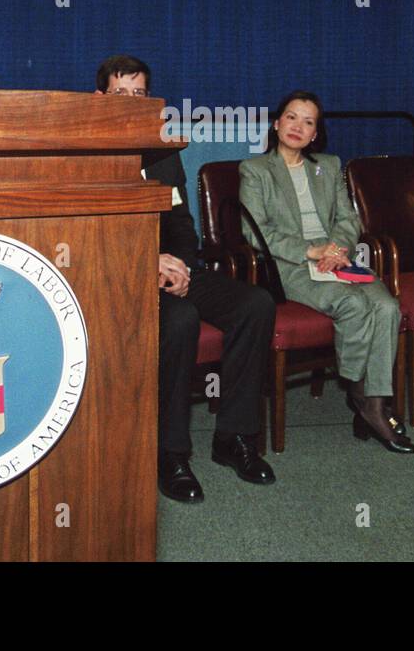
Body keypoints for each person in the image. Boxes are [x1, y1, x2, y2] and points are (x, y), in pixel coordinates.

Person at [95, 55, 277, 503]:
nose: (131, 102)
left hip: (173, 267)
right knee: (180, 321)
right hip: (118, 275)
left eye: (140, 95)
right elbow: (93, 235)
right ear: (100, 98)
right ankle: (171, 453)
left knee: (255, 305)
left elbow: (180, 224)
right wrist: (148, 263)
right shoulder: (86, 154)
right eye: (121, 93)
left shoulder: (163, 152)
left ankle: (234, 438)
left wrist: (174, 262)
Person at [239, 91, 414, 454]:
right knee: (352, 304)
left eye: (308, 122)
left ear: (315, 134)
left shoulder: (329, 166)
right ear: (276, 123)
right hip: (291, 264)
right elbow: (255, 231)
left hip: (336, 257)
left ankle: (375, 400)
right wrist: (310, 250)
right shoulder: (255, 170)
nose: (297, 127)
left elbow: (348, 218)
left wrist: (337, 249)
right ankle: (360, 394)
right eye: (291, 117)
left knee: (387, 307)